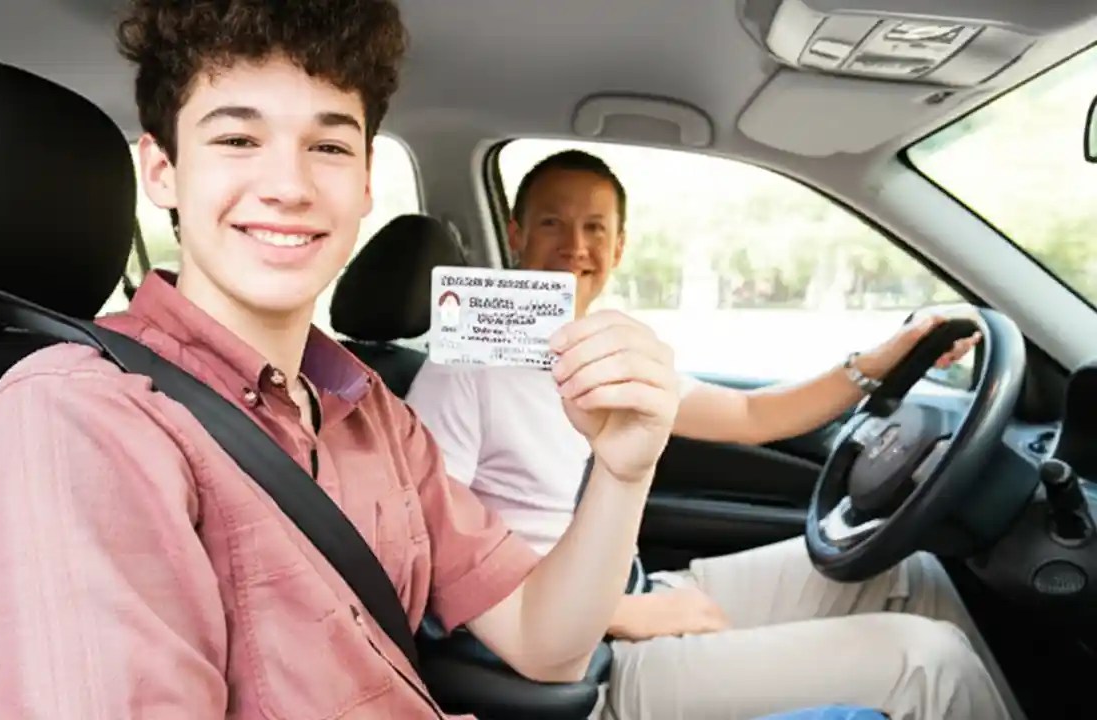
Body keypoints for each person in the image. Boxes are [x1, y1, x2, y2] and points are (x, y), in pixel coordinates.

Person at [0, 2, 685, 718]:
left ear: (364, 183)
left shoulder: (373, 414)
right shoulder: (79, 417)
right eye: (237, 140)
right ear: (162, 170)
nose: (289, 187)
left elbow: (544, 643)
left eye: (327, 146)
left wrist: (624, 469)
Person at [406, 150, 1022, 720]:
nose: (574, 245)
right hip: (582, 664)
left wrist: (877, 365)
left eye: (595, 228)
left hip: (636, 588)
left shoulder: (614, 354)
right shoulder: (461, 369)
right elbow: (426, 554)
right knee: (925, 658)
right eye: (550, 223)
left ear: (618, 247)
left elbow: (754, 417)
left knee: (911, 573)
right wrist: (621, 615)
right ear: (515, 234)